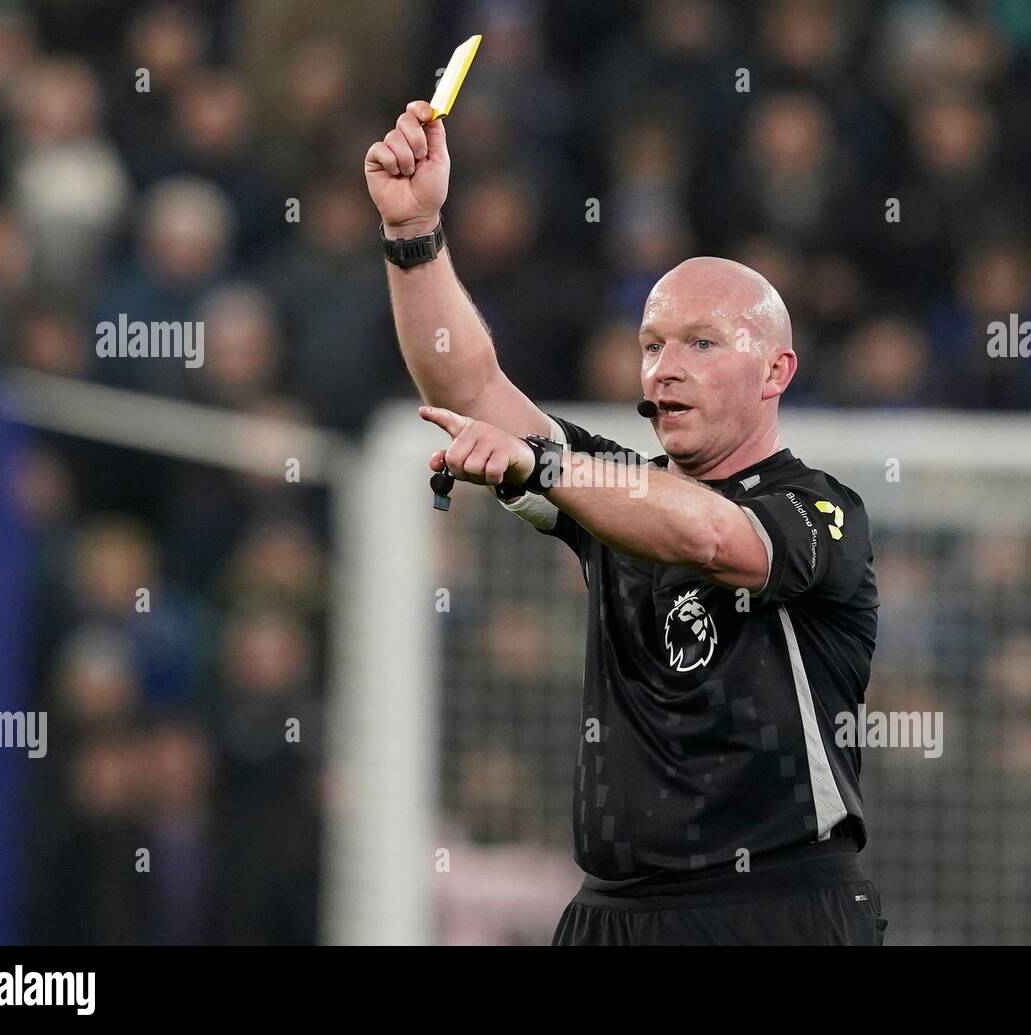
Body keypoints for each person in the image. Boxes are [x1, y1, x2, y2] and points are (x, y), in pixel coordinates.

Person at [366, 100, 885, 946]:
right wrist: (415, 231)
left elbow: (714, 537)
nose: (666, 369)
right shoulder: (612, 489)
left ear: (776, 370)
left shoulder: (821, 511)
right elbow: (465, 389)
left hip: (776, 911)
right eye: (652, 346)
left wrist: (544, 464)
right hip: (613, 913)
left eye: (702, 345)